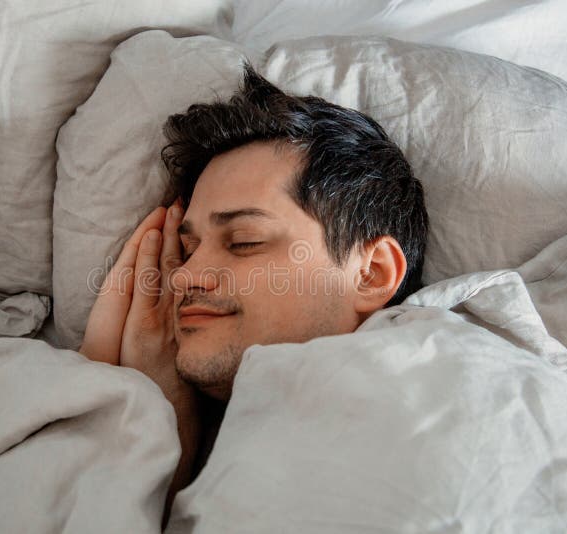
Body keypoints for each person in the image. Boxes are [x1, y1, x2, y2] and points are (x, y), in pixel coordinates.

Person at [78, 64, 428, 525]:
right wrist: (151, 423)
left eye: (244, 241)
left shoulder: (436, 418)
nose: (183, 278)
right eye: (186, 249)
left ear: (371, 273)